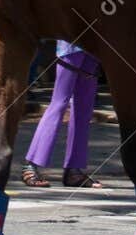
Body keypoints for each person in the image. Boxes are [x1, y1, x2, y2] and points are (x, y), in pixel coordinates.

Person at [22, 41, 103, 189]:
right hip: (71, 43)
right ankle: (31, 165)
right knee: (59, 103)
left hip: (94, 48)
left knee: (84, 109)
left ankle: (74, 170)